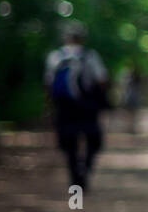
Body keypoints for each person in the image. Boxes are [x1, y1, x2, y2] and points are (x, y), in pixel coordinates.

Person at [44, 21, 109, 191]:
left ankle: (75, 177)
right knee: (93, 141)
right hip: (87, 105)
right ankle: (84, 169)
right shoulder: (90, 55)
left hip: (64, 106)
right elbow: (101, 80)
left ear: (65, 37)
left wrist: (50, 105)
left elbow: (49, 83)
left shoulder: (55, 56)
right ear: (82, 38)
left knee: (69, 143)